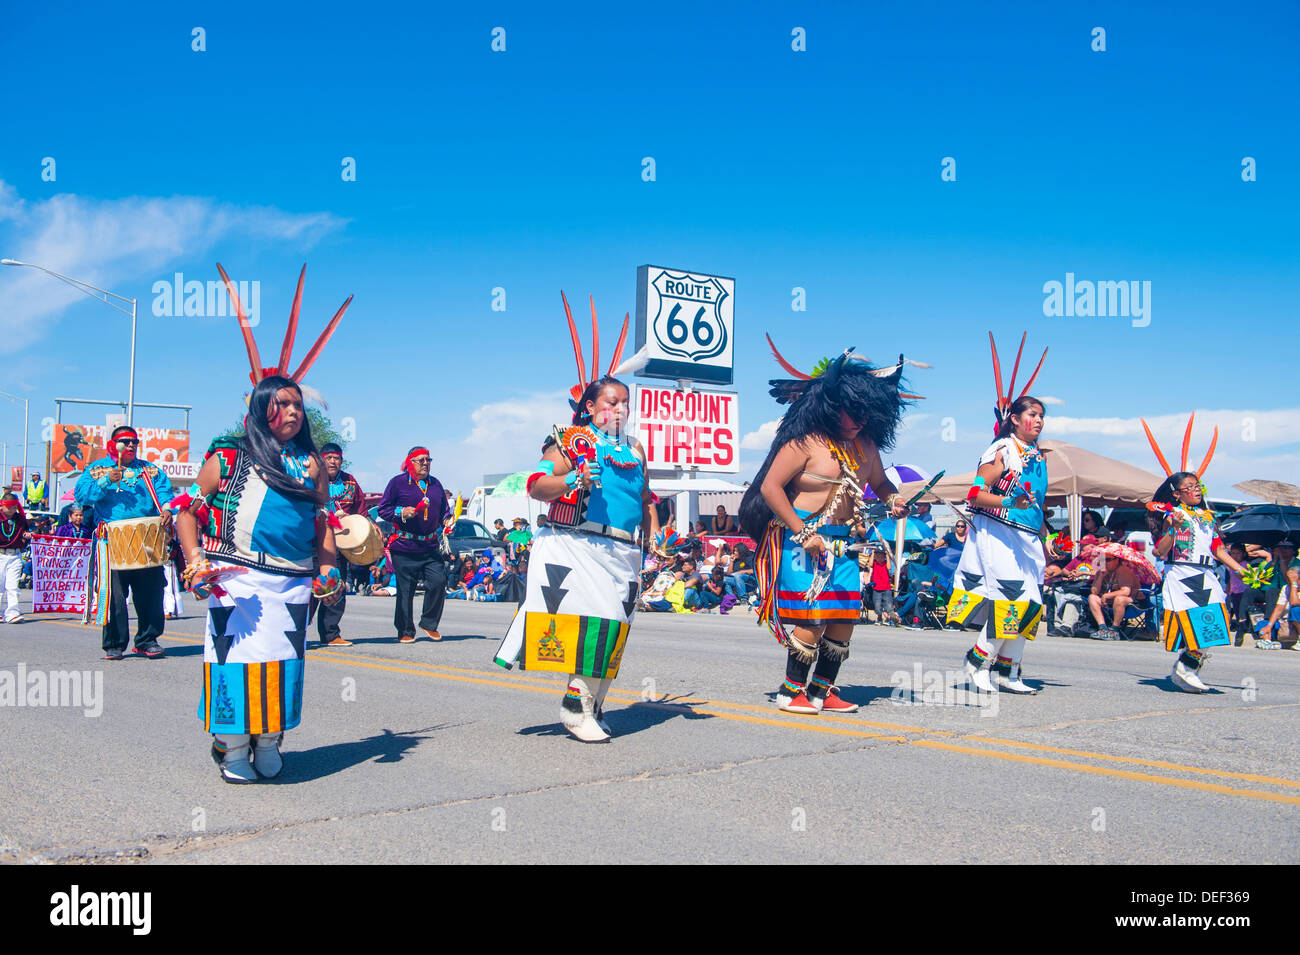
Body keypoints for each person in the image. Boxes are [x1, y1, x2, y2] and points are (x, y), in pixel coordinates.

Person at [178, 261, 350, 783]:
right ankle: (231, 749)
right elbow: (183, 508)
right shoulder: (229, 457)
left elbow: (322, 523)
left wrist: (328, 568)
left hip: (293, 582)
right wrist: (195, 558)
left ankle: (271, 740)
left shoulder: (314, 464)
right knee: (236, 666)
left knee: (282, 666)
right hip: (237, 581)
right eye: (282, 404)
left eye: (297, 404)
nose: (293, 412)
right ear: (260, 409)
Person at [493, 293, 658, 742]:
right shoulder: (572, 440)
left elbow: (644, 497)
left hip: (624, 550)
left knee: (616, 629)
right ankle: (574, 707)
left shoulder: (636, 448)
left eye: (624, 402)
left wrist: (655, 537)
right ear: (589, 408)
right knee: (596, 623)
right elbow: (536, 485)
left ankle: (592, 705)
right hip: (579, 544)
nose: (619, 409)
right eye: (610, 402)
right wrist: (570, 482)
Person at [739, 339, 916, 715]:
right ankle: (791, 692)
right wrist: (803, 534)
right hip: (803, 541)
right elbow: (770, 488)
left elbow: (881, 484)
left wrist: (893, 501)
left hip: (848, 543)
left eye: (866, 414)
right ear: (834, 406)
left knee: (843, 620)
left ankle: (822, 690)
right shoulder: (805, 442)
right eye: (854, 413)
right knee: (812, 619)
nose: (860, 421)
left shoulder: (867, 444)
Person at [947, 333, 1054, 695]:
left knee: (1032, 604)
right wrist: (1010, 504)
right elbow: (975, 494)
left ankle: (1008, 672)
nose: (1038, 421)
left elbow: (1036, 505)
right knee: (1012, 602)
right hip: (999, 534)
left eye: (1042, 416)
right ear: (1014, 418)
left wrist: (1046, 535)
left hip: (1026, 538)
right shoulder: (1003, 449)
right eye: (1032, 414)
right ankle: (977, 661)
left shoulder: (1037, 456)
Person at [1142, 416, 1246, 691]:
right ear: (1177, 495)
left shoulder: (1207, 517)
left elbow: (1217, 548)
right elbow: (1159, 550)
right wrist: (1173, 530)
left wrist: (1239, 568)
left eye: (1197, 485)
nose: (1196, 490)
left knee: (1217, 621)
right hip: (1183, 571)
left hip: (1206, 572)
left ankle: (1185, 668)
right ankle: (1187, 667)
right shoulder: (1173, 515)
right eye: (1189, 487)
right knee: (1199, 622)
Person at [75, 425, 175, 660]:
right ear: (114, 444)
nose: (131, 445)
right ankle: (114, 643)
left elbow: (165, 493)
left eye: (134, 441)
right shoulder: (98, 469)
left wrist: (167, 510)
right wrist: (106, 481)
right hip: (112, 540)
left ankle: (147, 640)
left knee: (151, 592)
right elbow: (82, 496)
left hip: (146, 540)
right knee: (115, 596)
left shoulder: (149, 470)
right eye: (125, 441)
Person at [377, 447, 451, 643]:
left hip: (429, 546)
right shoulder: (398, 483)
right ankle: (405, 630)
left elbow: (444, 509)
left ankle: (428, 623)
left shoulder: (435, 484)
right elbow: (383, 510)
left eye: (428, 460)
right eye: (421, 460)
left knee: (438, 581)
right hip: (404, 545)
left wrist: (447, 520)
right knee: (405, 590)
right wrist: (402, 511)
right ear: (410, 462)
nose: (426, 463)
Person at [316, 442, 364, 647]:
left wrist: (358, 520)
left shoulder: (350, 482)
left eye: (336, 458)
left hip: (340, 542)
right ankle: (296, 631)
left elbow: (361, 509)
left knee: (336, 585)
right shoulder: (312, 479)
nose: (333, 461)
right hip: (312, 540)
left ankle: (330, 634)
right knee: (309, 588)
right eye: (329, 457)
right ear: (321, 460)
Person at [1086, 553, 1141, 639]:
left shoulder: (1123, 570)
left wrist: (1107, 595)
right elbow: (1094, 591)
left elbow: (1126, 591)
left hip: (1132, 603)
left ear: (1117, 560)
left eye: (1107, 560)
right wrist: (1100, 576)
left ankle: (1114, 630)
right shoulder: (1101, 571)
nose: (1104, 563)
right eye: (1102, 560)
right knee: (1092, 597)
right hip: (1110, 603)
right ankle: (1102, 628)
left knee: (1119, 599)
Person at [0, 492, 29, 623]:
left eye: (14, 507)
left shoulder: (20, 519)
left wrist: (27, 537)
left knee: (12, 585)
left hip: (16, 555)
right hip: (1, 554)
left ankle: (12, 613)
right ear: (2, 506)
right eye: (9, 507)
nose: (12, 510)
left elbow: (25, 535)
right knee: (0, 584)